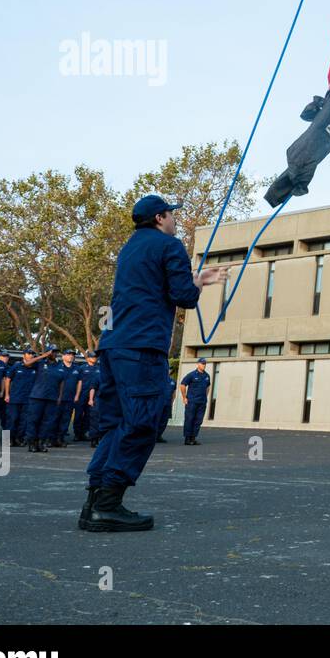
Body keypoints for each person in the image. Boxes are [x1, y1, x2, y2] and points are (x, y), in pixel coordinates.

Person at [81, 195, 227, 532]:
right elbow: (183, 297)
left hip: (113, 347)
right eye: (172, 215)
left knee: (115, 425)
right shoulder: (169, 245)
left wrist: (197, 278)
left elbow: (155, 286)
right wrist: (197, 285)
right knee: (142, 423)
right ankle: (108, 505)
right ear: (160, 218)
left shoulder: (129, 248)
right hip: (142, 349)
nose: (175, 220)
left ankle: (93, 504)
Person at [25, 346, 66, 453]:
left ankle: (41, 442)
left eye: (56, 352)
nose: (54, 354)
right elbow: (27, 363)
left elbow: (62, 382)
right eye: (53, 352)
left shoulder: (60, 365)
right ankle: (32, 443)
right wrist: (43, 356)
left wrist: (60, 396)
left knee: (47, 422)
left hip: (52, 398)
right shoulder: (40, 363)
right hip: (37, 397)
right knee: (34, 421)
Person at [5, 348, 40, 447]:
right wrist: (7, 394)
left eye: (32, 353)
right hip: (15, 397)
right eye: (29, 353)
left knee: (24, 420)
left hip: (28, 398)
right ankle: (9, 439)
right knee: (12, 419)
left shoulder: (35, 367)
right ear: (24, 355)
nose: (31, 355)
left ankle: (18, 438)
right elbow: (8, 379)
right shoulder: (16, 366)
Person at [180, 358, 212, 445]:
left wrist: (205, 396)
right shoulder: (191, 375)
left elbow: (208, 387)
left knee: (198, 420)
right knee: (189, 419)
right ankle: (187, 439)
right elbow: (183, 385)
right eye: (202, 363)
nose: (204, 365)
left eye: (205, 364)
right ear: (197, 364)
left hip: (202, 402)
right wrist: (184, 397)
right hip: (192, 401)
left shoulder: (207, 376)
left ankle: (193, 438)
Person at [74, 350, 101, 443]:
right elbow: (78, 382)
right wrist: (77, 395)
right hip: (82, 394)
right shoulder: (82, 368)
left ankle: (85, 432)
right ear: (88, 358)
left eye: (95, 357)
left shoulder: (99, 368)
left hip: (93, 395)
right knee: (78, 415)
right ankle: (77, 434)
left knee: (90, 415)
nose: (94, 358)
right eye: (93, 357)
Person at [155, 373, 175, 444]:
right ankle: (153, 436)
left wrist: (172, 402)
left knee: (164, 421)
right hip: (159, 404)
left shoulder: (172, 381)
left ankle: (158, 436)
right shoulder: (158, 380)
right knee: (157, 420)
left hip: (168, 404)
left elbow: (173, 393)